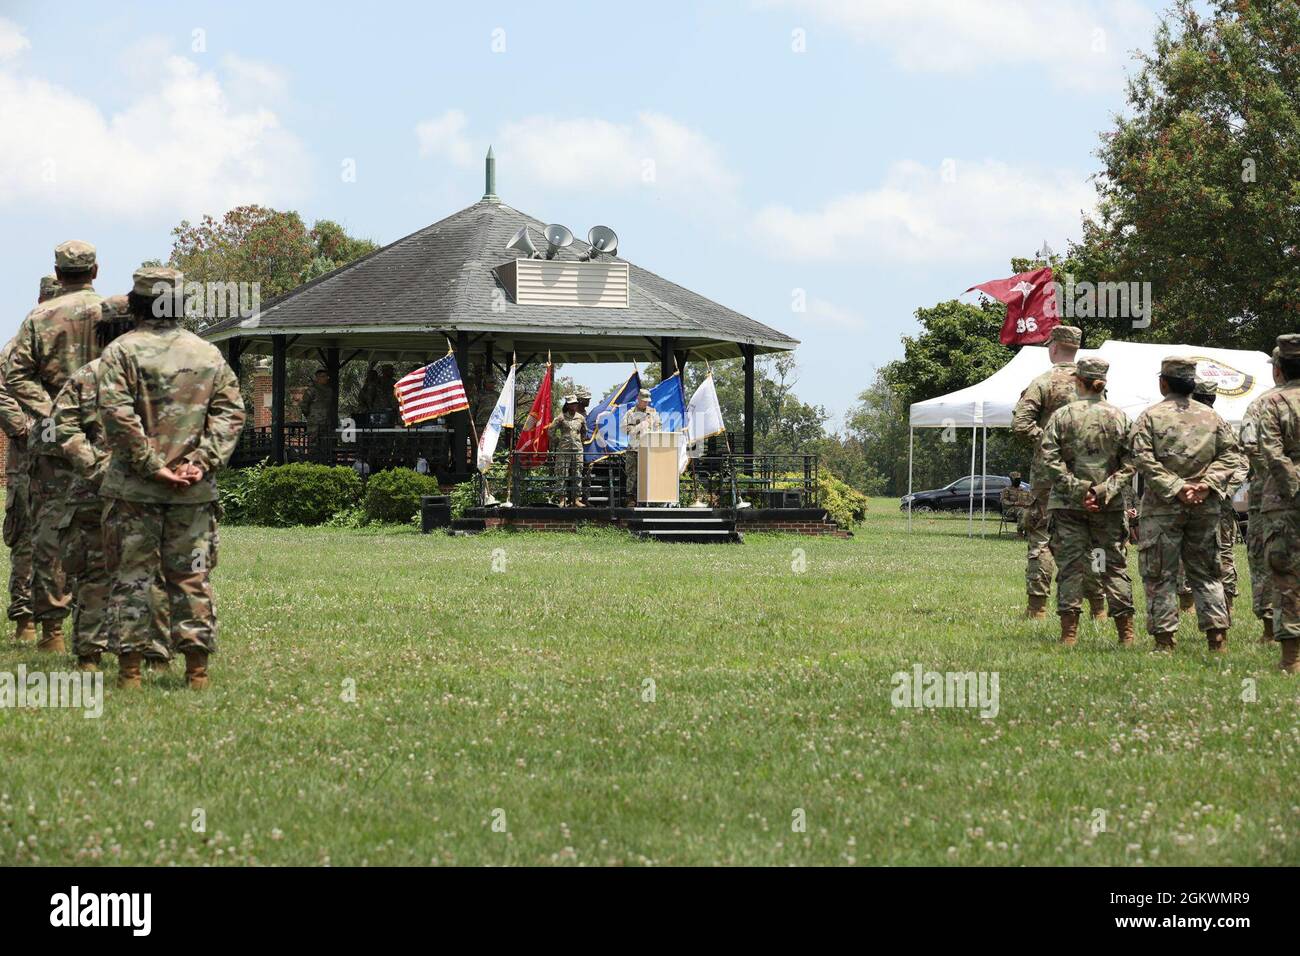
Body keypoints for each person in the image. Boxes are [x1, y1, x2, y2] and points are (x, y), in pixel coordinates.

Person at [97, 267, 246, 690]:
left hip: (133, 491)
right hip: (193, 492)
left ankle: (129, 675)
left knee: (132, 577)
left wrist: (150, 464)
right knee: (192, 577)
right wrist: (201, 461)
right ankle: (196, 673)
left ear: (135, 304)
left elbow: (115, 413)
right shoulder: (207, 354)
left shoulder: (121, 352)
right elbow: (231, 413)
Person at [3, 242, 105, 652]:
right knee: (103, 526)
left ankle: (52, 632)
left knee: (48, 532)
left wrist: (53, 413)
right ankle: (105, 627)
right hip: (102, 436)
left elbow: (15, 375)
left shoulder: (38, 318)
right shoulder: (116, 313)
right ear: (95, 270)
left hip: (49, 440)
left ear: (58, 273)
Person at [1129, 356, 1244, 653]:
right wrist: (1206, 485)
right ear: (1192, 384)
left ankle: (1165, 643)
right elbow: (1232, 455)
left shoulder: (1150, 417)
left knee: (1160, 575)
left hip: (1162, 507)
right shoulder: (1213, 418)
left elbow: (1142, 459)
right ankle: (1217, 641)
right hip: (1204, 508)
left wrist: (1177, 487)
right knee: (1207, 573)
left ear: (1163, 383)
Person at [50, 295, 135, 672]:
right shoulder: (155, 372)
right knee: (147, 574)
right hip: (145, 491)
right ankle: (146, 657)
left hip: (91, 492)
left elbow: (58, 429)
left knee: (93, 575)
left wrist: (95, 467)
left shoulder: (86, 375)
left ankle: (89, 657)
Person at [1038, 357, 1137, 645]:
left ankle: (1069, 635)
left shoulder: (1062, 416)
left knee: (1070, 568)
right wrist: (1103, 490)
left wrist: (1080, 490)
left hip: (1068, 505)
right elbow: (1132, 462)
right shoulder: (1120, 417)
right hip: (1110, 505)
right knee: (1114, 566)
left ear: (1077, 381)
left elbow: (1049, 459)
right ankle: (1126, 636)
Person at [1011, 325, 1106, 619]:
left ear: (1052, 347)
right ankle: (1099, 609)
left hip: (1047, 476)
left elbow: (1020, 424)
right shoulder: (1092, 384)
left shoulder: (1042, 382)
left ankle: (1037, 608)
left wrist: (1047, 442)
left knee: (1041, 537)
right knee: (1090, 540)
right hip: (1086, 474)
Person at [1252, 334, 1300, 673]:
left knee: (1286, 576)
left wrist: (1294, 486)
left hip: (1283, 499)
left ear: (1278, 368)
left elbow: (1269, 451)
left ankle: (1291, 659)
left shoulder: (1269, 403)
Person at [1240, 347, 1285, 642]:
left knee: (1264, 559)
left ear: (1278, 369)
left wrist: (1273, 475)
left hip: (1268, 497)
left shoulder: (1262, 404)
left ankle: (1271, 631)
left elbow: (1249, 444)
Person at [622, 388, 661, 505]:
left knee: (647, 474)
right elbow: (625, 429)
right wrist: (638, 427)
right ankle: (630, 498)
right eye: (644, 401)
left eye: (647, 401)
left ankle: (646, 498)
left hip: (648, 449)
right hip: (634, 448)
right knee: (632, 474)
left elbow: (659, 427)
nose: (646, 403)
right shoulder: (630, 413)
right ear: (638, 399)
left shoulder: (653, 412)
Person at [546, 395, 587, 506]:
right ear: (567, 405)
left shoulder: (581, 418)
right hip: (564, 450)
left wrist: (580, 441)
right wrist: (558, 441)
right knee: (562, 472)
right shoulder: (561, 417)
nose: (573, 405)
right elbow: (550, 431)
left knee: (577, 472)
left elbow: (584, 432)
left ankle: (576, 499)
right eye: (571, 403)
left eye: (575, 403)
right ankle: (562, 499)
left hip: (577, 450)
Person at [299, 367, 336, 462]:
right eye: (323, 376)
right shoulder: (311, 390)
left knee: (325, 443)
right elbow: (304, 405)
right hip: (314, 422)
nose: (326, 378)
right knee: (313, 443)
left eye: (327, 376)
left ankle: (324, 462)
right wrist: (310, 416)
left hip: (326, 421)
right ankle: (313, 463)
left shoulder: (329, 390)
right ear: (317, 378)